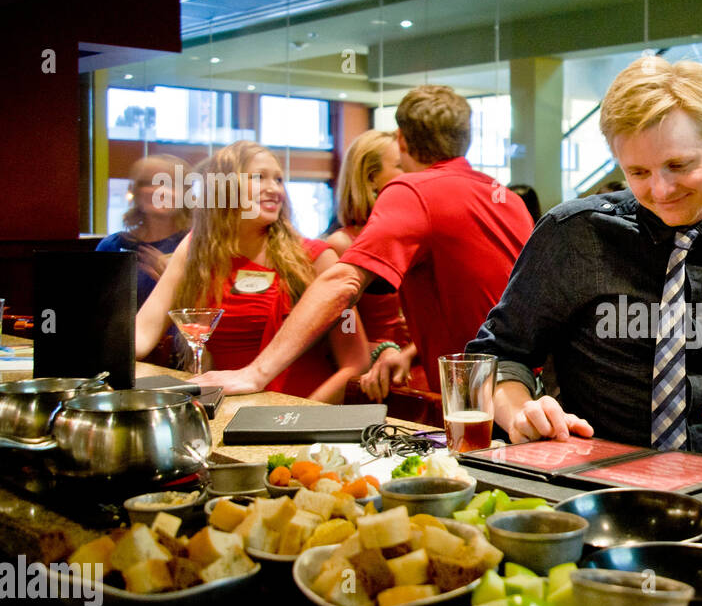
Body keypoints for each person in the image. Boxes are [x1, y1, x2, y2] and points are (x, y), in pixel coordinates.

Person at [465, 56, 702, 502]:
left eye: (679, 164)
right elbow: (498, 354)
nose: (662, 190)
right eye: (638, 172)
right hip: (588, 487)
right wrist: (519, 413)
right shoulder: (573, 236)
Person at [191, 85, 533, 402]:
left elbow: (344, 282)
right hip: (523, 391)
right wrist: (403, 352)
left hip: (472, 397)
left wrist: (256, 373)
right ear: (465, 139)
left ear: (401, 140)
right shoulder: (507, 198)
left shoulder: (413, 190)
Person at [135, 141, 368, 402]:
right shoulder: (195, 249)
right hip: (224, 407)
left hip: (295, 409)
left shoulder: (316, 257)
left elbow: (356, 361)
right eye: (259, 178)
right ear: (225, 188)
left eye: (279, 180)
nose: (274, 189)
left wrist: (304, 416)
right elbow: (142, 334)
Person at [324, 129, 428, 390]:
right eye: (401, 166)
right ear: (371, 179)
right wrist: (382, 349)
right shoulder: (341, 245)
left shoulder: (416, 235)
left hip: (422, 368)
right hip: (375, 379)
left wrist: (410, 350)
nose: (414, 176)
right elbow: (342, 329)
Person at [97, 154, 193, 308]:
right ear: (134, 191)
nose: (157, 191)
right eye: (147, 183)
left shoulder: (200, 246)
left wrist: (174, 282)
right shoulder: (112, 246)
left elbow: (210, 314)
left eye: (168, 184)